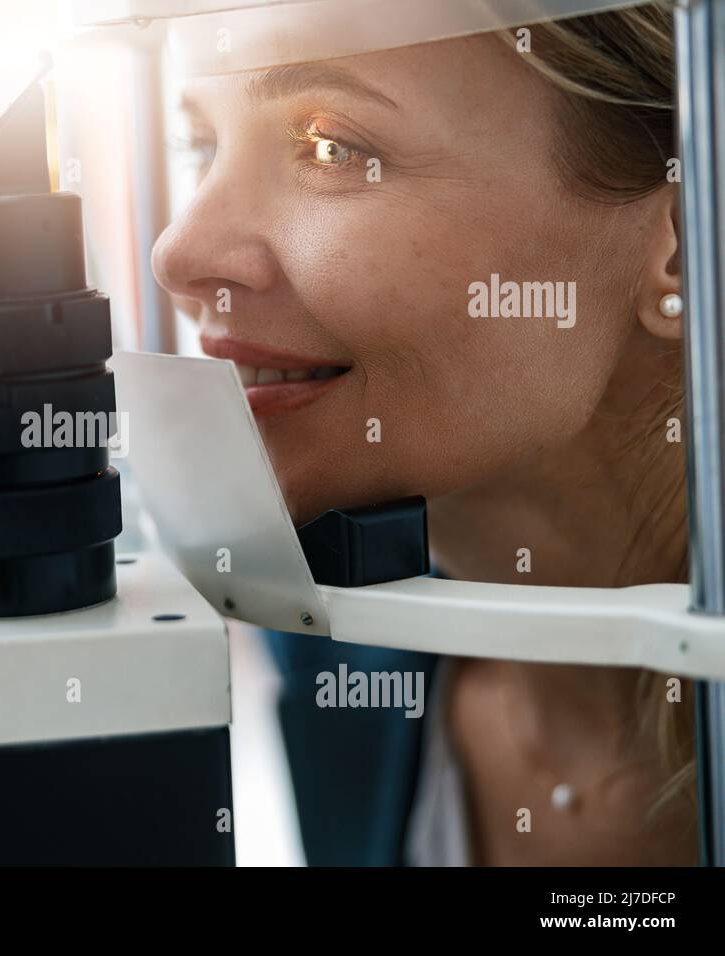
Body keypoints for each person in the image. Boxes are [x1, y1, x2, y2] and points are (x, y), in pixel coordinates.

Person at [151, 2, 697, 864]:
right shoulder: (331, 658)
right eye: (201, 146)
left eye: (332, 147)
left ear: (687, 238)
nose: (178, 255)